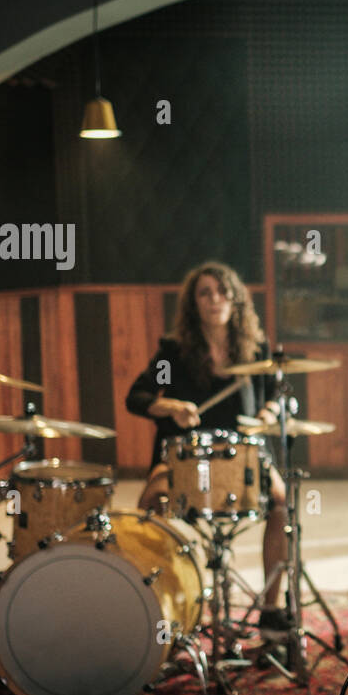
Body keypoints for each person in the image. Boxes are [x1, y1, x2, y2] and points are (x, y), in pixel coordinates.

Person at [126, 261, 291, 639]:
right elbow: (137, 396)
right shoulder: (174, 353)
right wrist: (169, 406)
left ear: (235, 299)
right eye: (205, 293)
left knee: (282, 502)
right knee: (148, 505)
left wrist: (270, 411)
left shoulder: (256, 351)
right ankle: (160, 606)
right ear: (194, 303)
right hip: (185, 458)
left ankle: (270, 608)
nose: (215, 299)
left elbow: (281, 398)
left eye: (222, 291)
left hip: (245, 456)